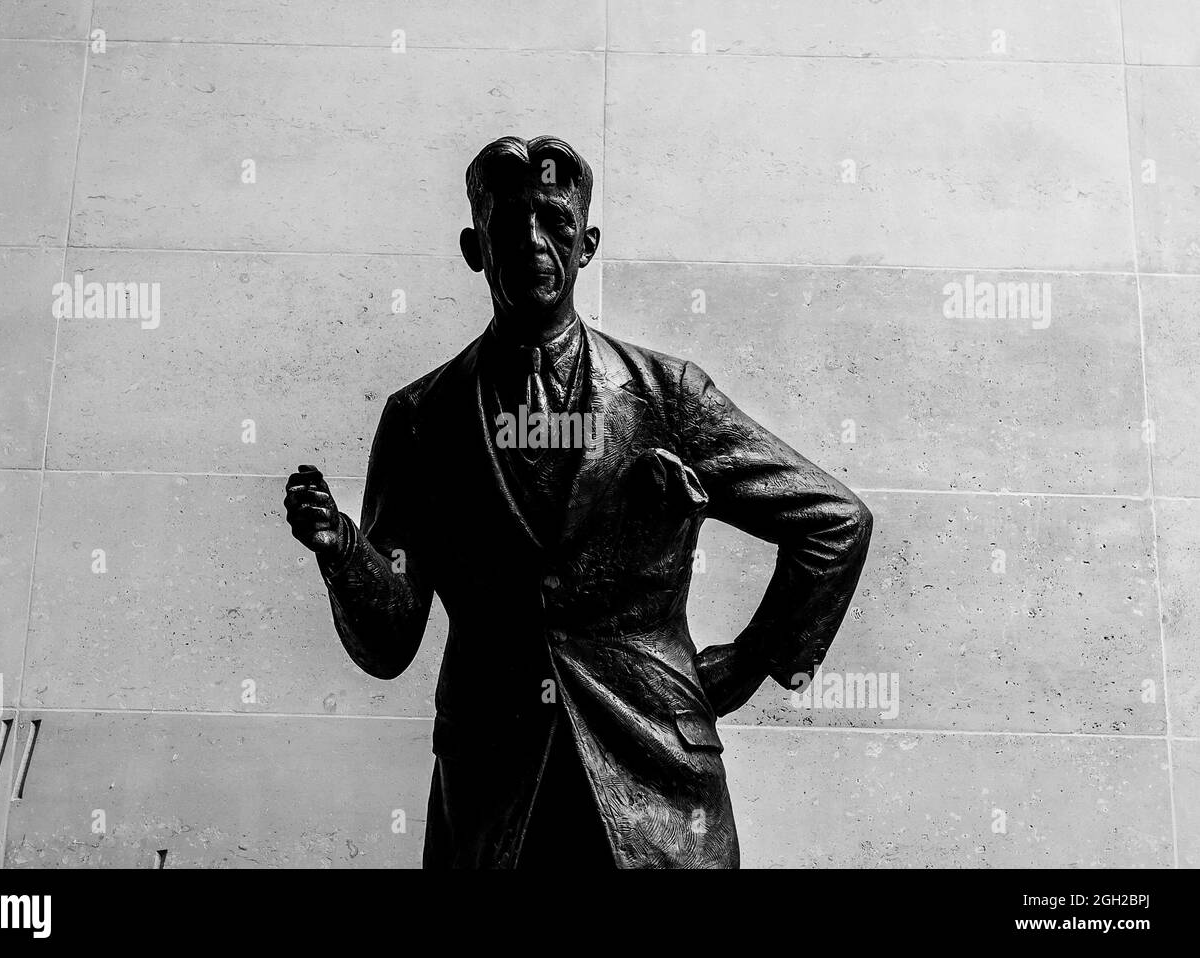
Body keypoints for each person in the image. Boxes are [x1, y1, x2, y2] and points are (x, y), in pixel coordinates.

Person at [284, 135, 873, 868]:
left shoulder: (666, 397)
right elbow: (391, 640)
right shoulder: (421, 420)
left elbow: (834, 522)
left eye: (555, 222)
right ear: (475, 246)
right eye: (507, 224)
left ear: (587, 244)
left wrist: (753, 659)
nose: (531, 241)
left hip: (654, 774)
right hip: (495, 790)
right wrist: (343, 552)